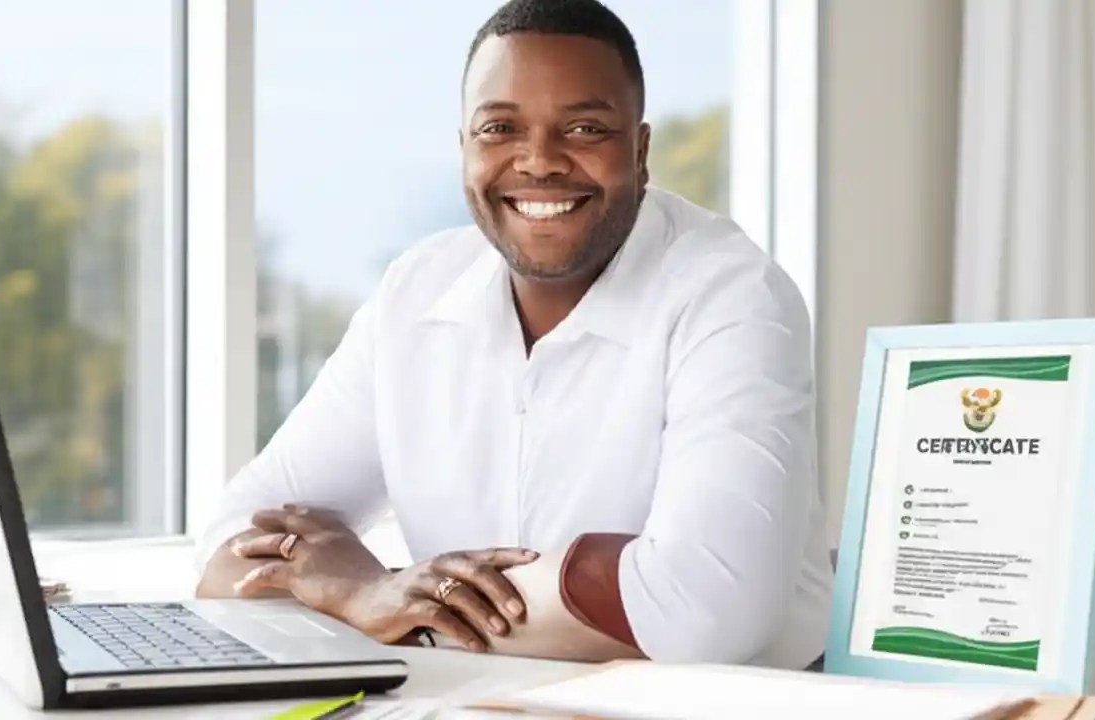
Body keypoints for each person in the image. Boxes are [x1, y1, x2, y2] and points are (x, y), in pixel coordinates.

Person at [196, 0, 833, 667]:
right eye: (500, 128)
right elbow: (227, 547)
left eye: (585, 128)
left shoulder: (731, 294)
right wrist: (367, 594)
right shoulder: (416, 293)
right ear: (465, 148)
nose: (539, 162)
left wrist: (392, 600)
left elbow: (707, 614)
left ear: (640, 153)